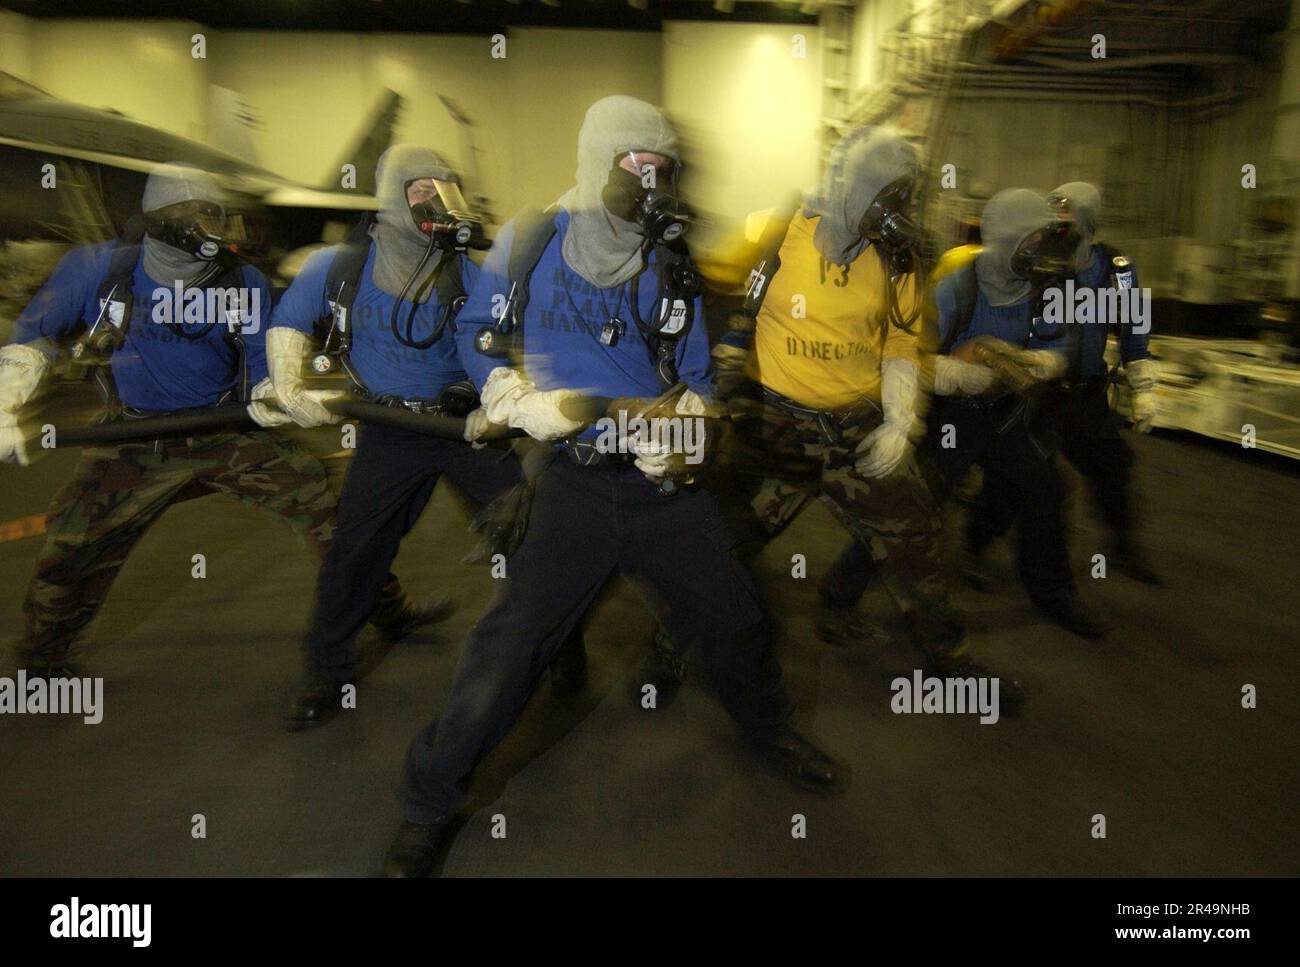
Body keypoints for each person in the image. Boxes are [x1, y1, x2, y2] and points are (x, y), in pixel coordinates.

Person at [384, 96, 842, 877]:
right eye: (637, 167)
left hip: (660, 485)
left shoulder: (669, 260)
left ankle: (766, 727)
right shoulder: (536, 237)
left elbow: (695, 374)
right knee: (509, 648)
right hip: (576, 478)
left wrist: (686, 431)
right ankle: (427, 802)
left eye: (663, 168)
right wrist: (512, 396)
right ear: (600, 163)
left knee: (735, 614)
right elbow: (477, 331)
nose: (654, 184)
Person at [1, 162, 431, 682]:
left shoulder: (239, 278)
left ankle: (388, 609)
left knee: (330, 512)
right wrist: (8, 400)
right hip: (137, 437)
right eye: (191, 214)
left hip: (225, 430)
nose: (207, 226)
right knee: (73, 542)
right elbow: (33, 337)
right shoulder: (98, 269)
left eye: (214, 214)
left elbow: (260, 355)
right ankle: (43, 658)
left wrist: (275, 391)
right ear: (155, 219)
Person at [644, 126, 1023, 702]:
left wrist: (901, 420)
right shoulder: (778, 236)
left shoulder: (898, 261)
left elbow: (901, 341)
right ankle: (669, 647)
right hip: (775, 427)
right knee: (724, 543)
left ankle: (948, 661)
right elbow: (715, 292)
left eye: (905, 196)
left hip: (856, 427)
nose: (894, 212)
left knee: (915, 538)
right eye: (886, 195)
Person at [267, 144, 587, 730]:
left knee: (529, 540)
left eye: (447, 189)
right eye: (421, 191)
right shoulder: (338, 269)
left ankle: (559, 651)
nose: (438, 202)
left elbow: (522, 338)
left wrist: (511, 404)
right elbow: (289, 322)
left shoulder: (475, 273)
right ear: (393, 198)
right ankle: (326, 670)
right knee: (355, 555)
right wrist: (287, 385)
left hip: (469, 427)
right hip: (391, 431)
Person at [924, 188, 1108, 638]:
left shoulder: (1039, 290)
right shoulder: (954, 290)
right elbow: (906, 357)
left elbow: (1054, 342)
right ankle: (846, 596)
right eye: (1031, 241)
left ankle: (1053, 594)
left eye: (1041, 241)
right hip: (952, 416)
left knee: (1045, 488)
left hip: (1005, 413)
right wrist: (951, 372)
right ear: (1008, 239)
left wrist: (1046, 361)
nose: (1039, 252)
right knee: (913, 505)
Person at [963, 182, 1161, 585]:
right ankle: (974, 547)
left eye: (1067, 219)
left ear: (1088, 221)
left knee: (1113, 468)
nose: (1058, 227)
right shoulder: (1036, 263)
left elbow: (1134, 324)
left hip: (1085, 394)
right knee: (1018, 479)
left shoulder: (1117, 271)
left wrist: (1144, 382)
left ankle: (1122, 544)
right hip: (1038, 394)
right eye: (1053, 220)